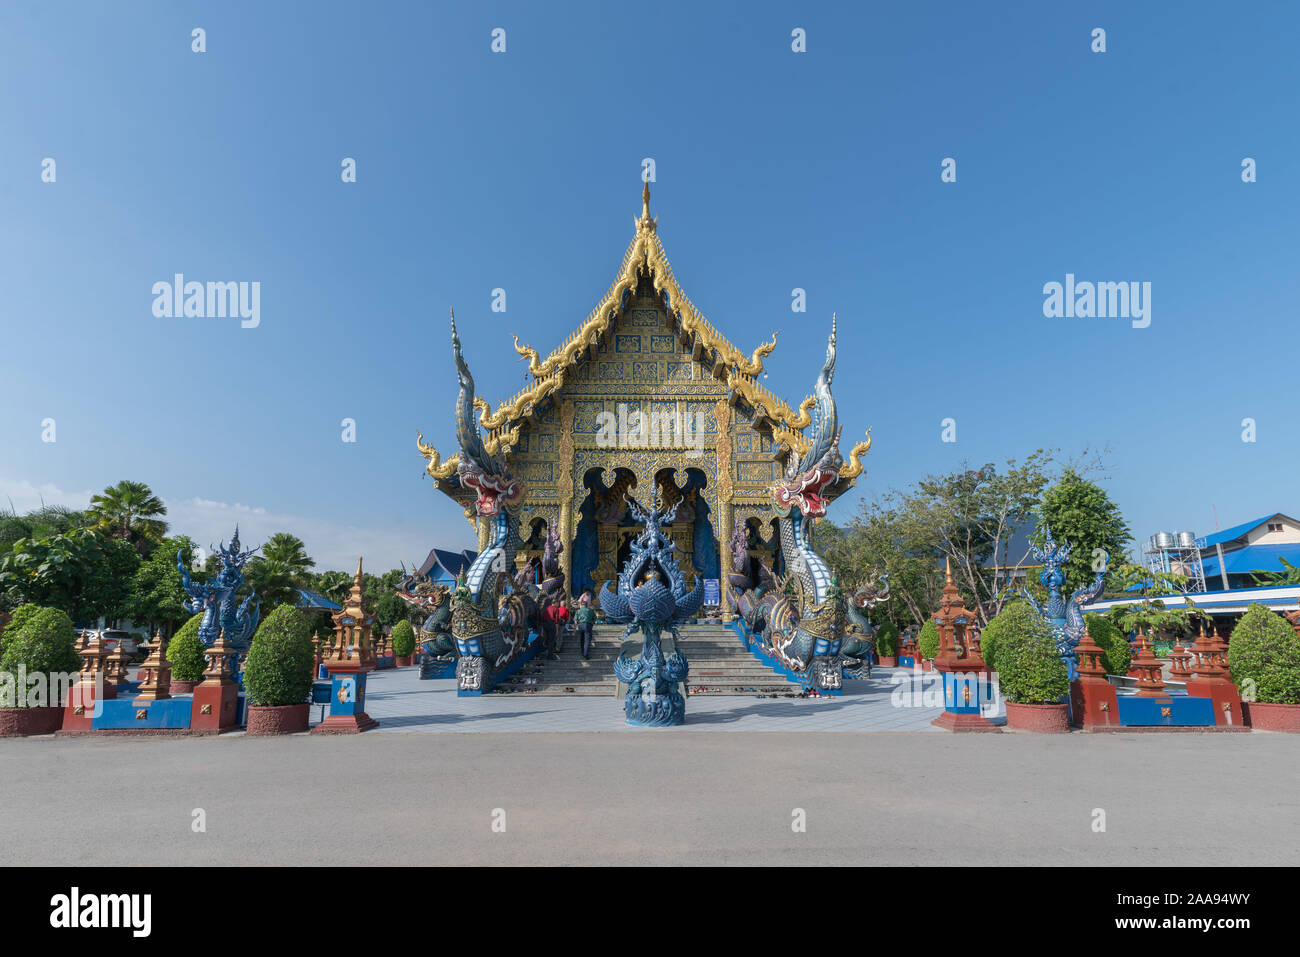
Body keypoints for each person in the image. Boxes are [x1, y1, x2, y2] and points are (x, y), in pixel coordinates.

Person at [573, 592, 596, 660]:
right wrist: (592, 623)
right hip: (588, 625)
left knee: (582, 639)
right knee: (587, 640)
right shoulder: (590, 611)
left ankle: (582, 651)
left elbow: (575, 621)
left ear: (582, 605)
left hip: (580, 625)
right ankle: (585, 654)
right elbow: (594, 618)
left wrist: (574, 630)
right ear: (586, 605)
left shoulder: (578, 611)